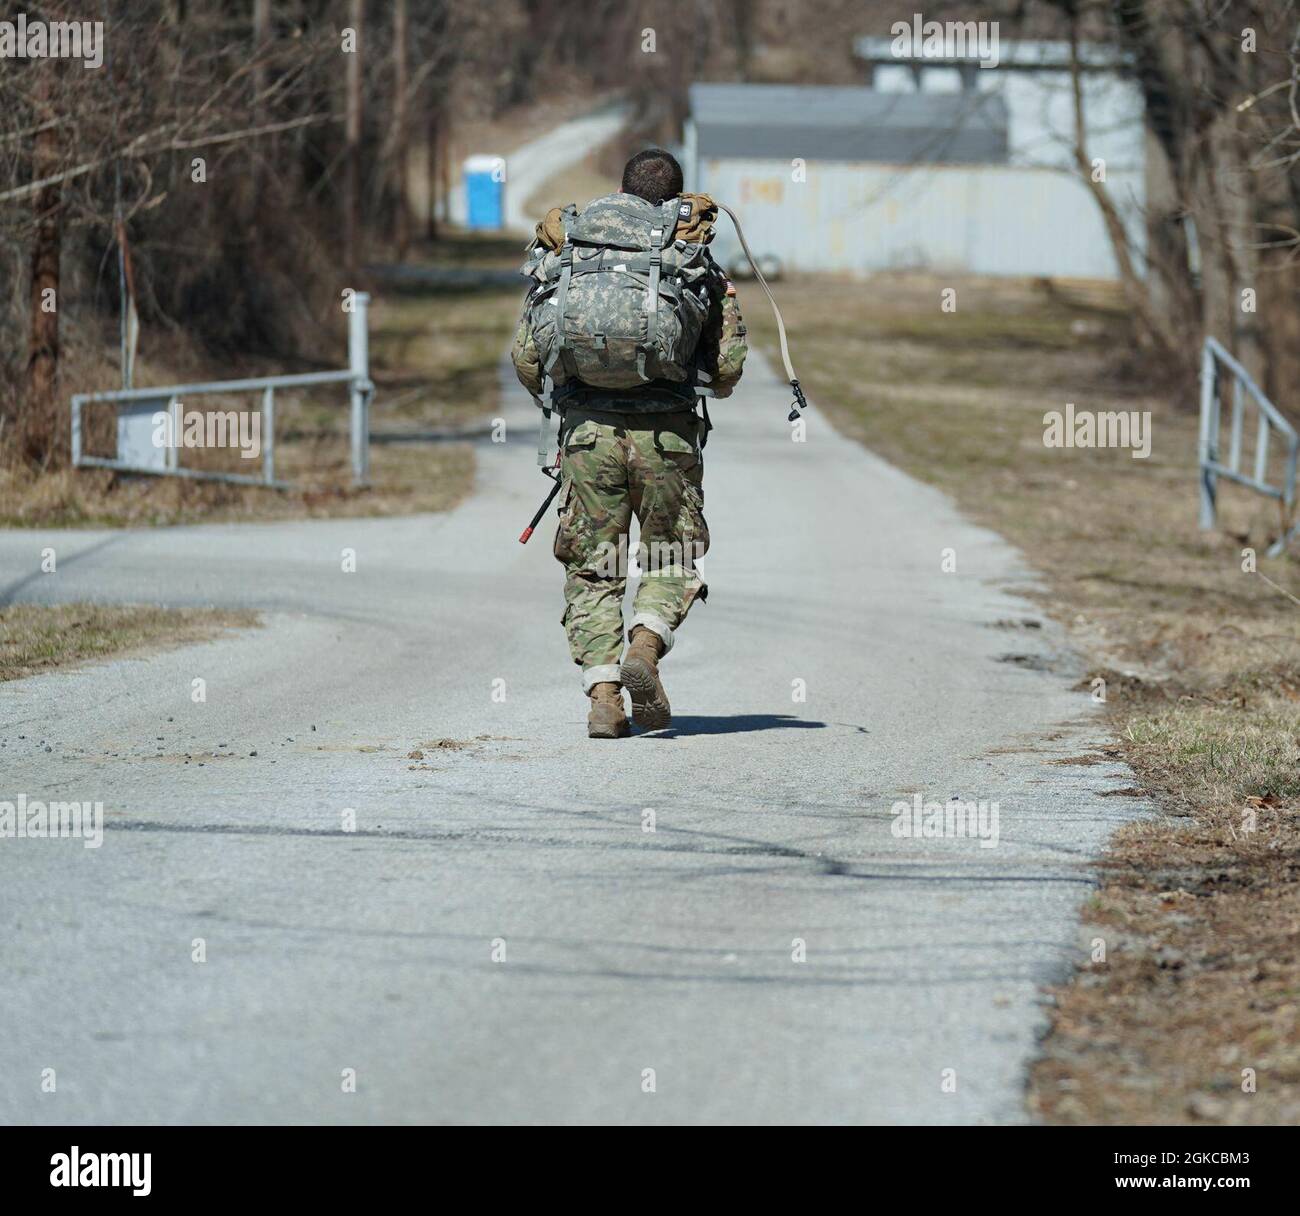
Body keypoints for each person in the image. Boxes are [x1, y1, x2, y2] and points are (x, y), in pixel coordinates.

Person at [511, 148, 747, 738]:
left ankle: (605, 698)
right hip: (667, 438)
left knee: (593, 569)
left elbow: (526, 357)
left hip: (587, 438)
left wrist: (571, 393)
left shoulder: (571, 244)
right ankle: (644, 645)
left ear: (619, 188)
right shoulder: (686, 252)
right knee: (670, 553)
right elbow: (726, 371)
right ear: (674, 198)